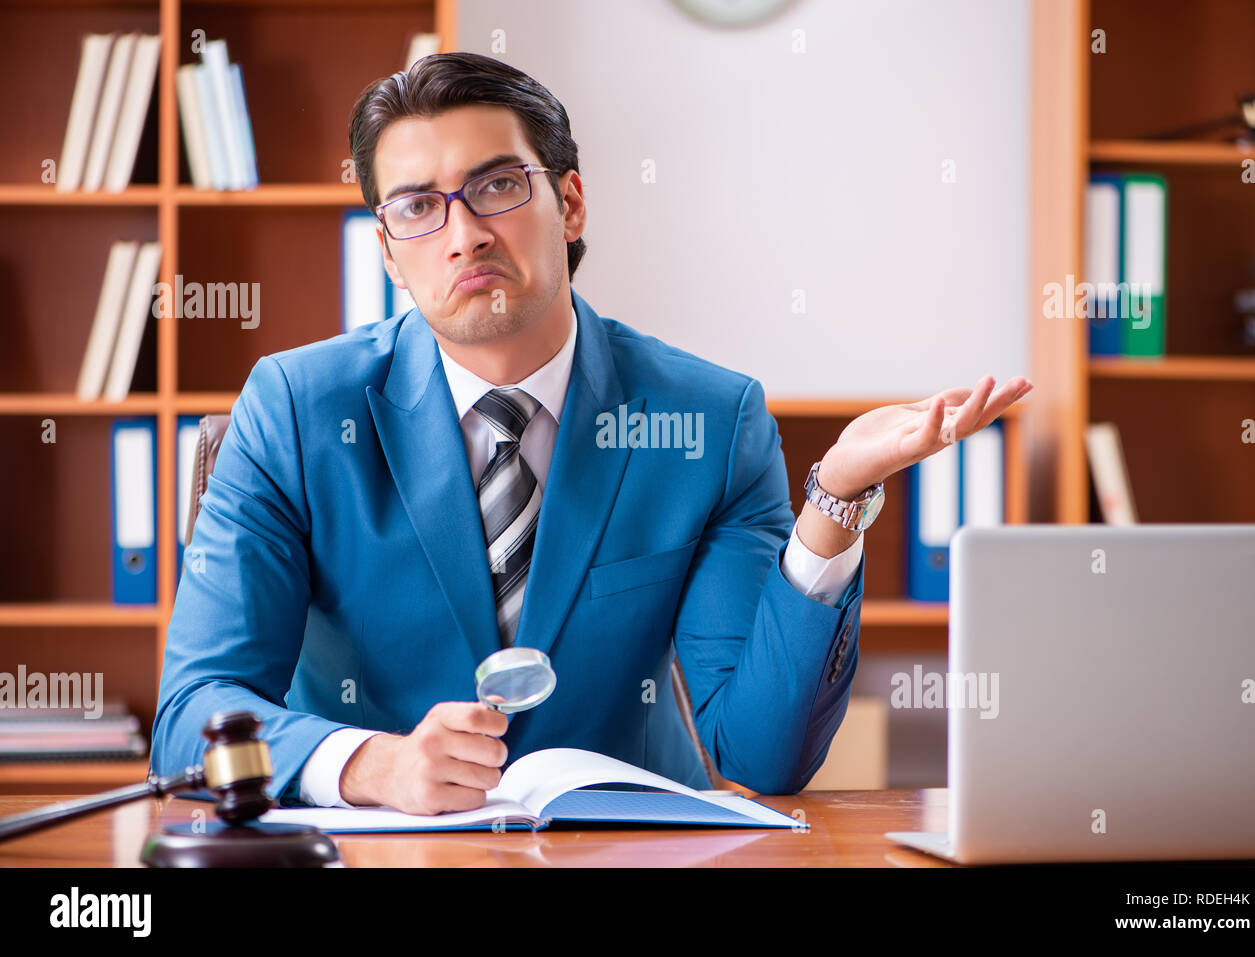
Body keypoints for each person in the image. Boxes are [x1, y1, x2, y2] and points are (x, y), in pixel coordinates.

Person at [152, 52, 1031, 813]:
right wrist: (367, 764)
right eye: (418, 207)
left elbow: (761, 757)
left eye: (497, 186)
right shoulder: (297, 411)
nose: (462, 234)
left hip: (621, 854)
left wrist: (835, 499)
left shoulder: (710, 422)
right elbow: (192, 712)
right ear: (388, 250)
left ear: (569, 203)